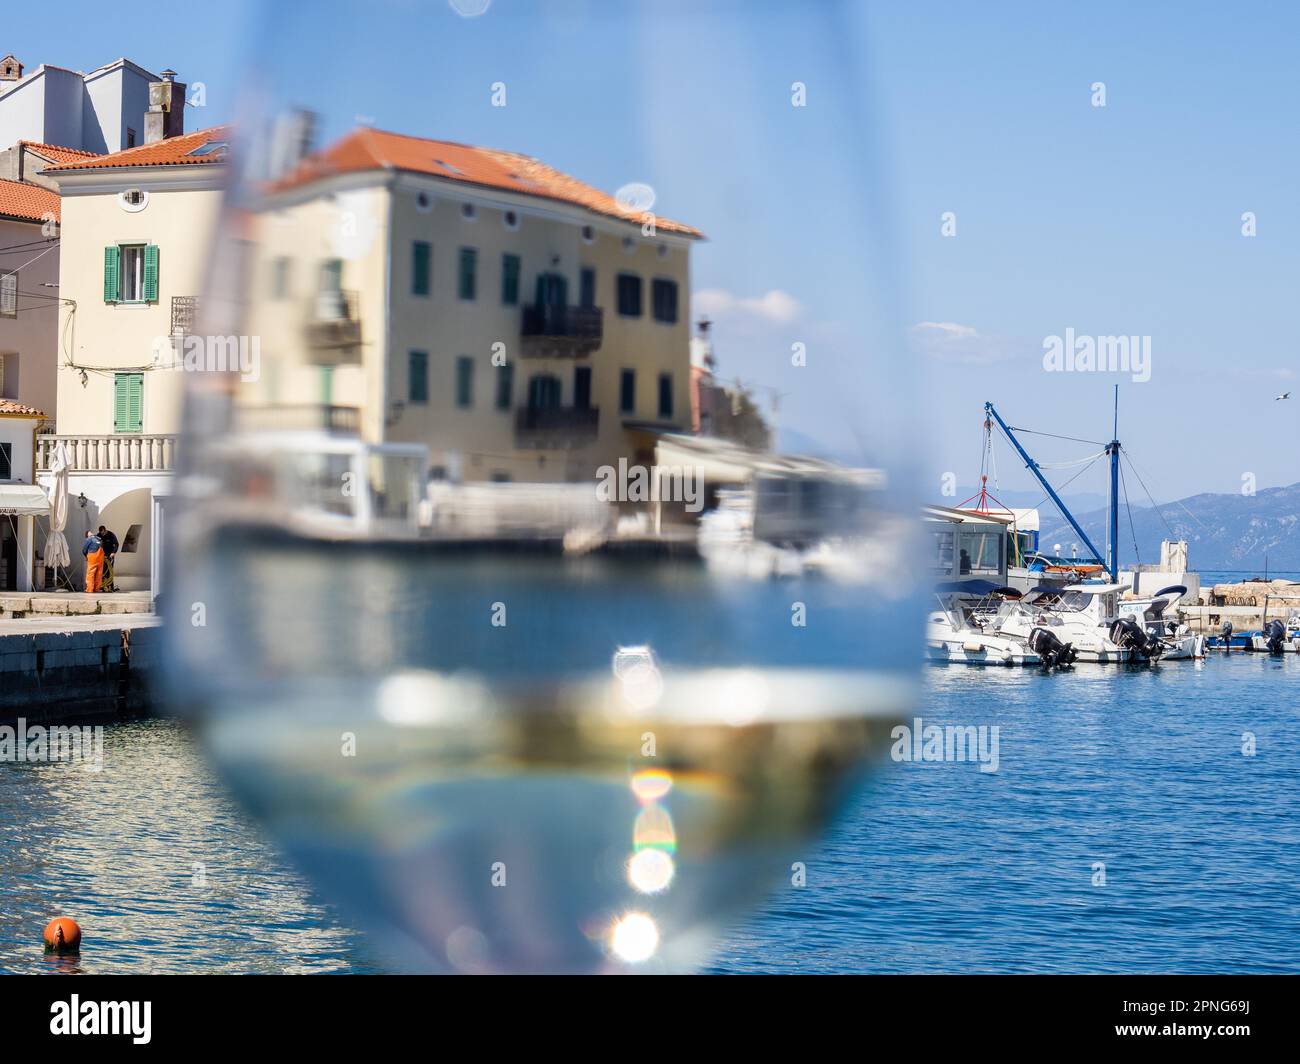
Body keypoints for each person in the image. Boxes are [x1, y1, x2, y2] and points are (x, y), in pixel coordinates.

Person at [97, 525, 120, 592]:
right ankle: (102, 586)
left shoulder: (111, 535)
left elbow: (116, 544)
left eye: (103, 533)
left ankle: (110, 586)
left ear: (105, 530)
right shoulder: (98, 535)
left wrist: (113, 552)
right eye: (101, 533)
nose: (102, 534)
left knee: (109, 572)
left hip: (110, 556)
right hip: (101, 556)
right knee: (102, 571)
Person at [81, 529, 104, 594]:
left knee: (91, 573)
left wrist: (86, 556)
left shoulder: (89, 539)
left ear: (87, 535)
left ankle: (89, 589)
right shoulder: (99, 538)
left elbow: (84, 549)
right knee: (99, 573)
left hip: (93, 556)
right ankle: (97, 589)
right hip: (101, 555)